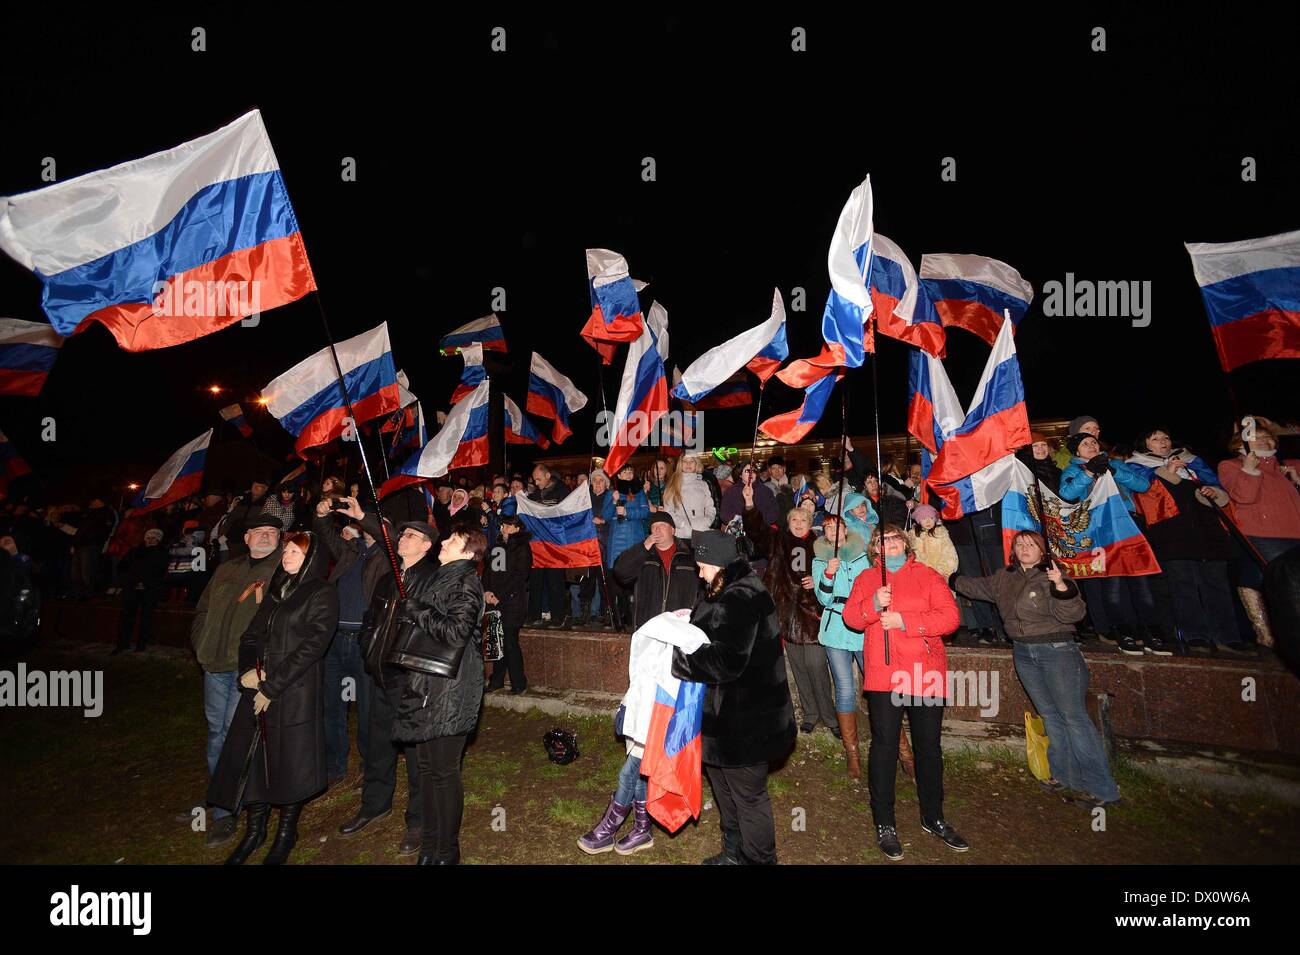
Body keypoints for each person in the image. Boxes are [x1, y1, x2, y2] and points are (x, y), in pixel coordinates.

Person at [952, 530, 1121, 809]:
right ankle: (1066, 777)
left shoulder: (1053, 575)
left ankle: (1102, 787)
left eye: (1030, 544)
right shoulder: (1004, 577)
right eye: (1019, 544)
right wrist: (947, 576)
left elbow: (1074, 615)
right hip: (1023, 651)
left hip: (1058, 651)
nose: (1024, 548)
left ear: (1042, 550)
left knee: (1073, 718)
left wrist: (1061, 587)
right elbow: (973, 587)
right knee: (1051, 716)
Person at [209, 530, 340, 865]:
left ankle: (285, 833)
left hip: (294, 690)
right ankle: (255, 831)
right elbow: (251, 635)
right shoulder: (277, 590)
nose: (287, 555)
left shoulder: (321, 592)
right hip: (259, 685)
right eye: (286, 550)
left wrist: (273, 685)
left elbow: (314, 645)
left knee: (290, 761)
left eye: (295, 551)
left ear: (311, 558)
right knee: (254, 759)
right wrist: (248, 671)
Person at [669, 530, 795, 865]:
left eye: (702, 566)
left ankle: (759, 859)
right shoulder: (724, 588)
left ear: (719, 564)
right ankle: (733, 853)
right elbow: (712, 630)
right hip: (723, 718)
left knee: (748, 797)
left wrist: (675, 659)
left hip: (748, 721)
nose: (699, 572)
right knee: (725, 792)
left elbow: (727, 661)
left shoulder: (741, 597)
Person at [843, 524, 966, 860]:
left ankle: (933, 816)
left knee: (929, 746)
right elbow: (852, 617)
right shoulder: (868, 579)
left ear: (906, 543)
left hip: (925, 671)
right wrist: (872, 603)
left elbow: (950, 617)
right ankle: (884, 822)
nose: (891, 544)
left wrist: (906, 621)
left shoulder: (927, 575)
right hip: (885, 674)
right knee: (884, 746)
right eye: (883, 541)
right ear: (875, 549)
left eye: (896, 538)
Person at [580, 512, 699, 855]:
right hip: (647, 645)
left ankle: (623, 823)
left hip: (678, 648)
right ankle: (639, 825)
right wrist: (641, 546)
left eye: (661, 526)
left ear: (673, 530)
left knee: (648, 739)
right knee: (640, 730)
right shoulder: (643, 556)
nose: (656, 531)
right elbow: (619, 572)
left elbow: (703, 596)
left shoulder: (689, 559)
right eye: (652, 528)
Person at [337, 515, 437, 856]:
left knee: (415, 753)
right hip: (379, 675)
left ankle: (418, 820)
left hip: (411, 681)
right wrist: (368, 648)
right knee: (378, 744)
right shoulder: (387, 578)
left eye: (409, 535)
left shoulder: (432, 579)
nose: (402, 538)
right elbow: (371, 619)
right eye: (402, 533)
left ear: (425, 545)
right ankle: (375, 803)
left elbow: (434, 631)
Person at [389, 525, 488, 865]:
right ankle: (430, 846)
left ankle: (448, 851)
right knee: (429, 768)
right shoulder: (443, 577)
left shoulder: (466, 581)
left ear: (467, 552)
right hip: (429, 685)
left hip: (452, 688)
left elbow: (457, 631)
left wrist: (417, 610)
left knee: (444, 772)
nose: (443, 542)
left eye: (452, 540)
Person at [188, 515, 283, 848]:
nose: (266, 536)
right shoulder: (227, 568)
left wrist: (266, 664)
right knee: (217, 734)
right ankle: (219, 796)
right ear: (247, 536)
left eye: (273, 532)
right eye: (260, 531)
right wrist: (200, 641)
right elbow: (202, 609)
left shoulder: (281, 571)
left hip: (248, 670)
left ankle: (226, 811)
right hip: (214, 663)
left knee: (234, 735)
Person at [1129, 427, 1247, 655]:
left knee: (1217, 584)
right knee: (1183, 587)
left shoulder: (1191, 461)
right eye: (1155, 439)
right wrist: (1167, 472)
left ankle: (1227, 636)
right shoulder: (1138, 466)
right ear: (1145, 445)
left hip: (1206, 530)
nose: (1163, 442)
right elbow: (1146, 495)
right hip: (1172, 534)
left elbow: (1216, 487)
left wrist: (1212, 492)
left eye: (1166, 437)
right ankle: (1196, 635)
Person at [1059, 432, 1167, 655]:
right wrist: (1089, 472)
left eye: (1094, 442)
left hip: (1127, 524)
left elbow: (1142, 485)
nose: (1091, 445)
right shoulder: (1073, 470)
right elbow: (1067, 493)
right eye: (1084, 444)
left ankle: (1151, 631)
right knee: (1113, 582)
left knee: (1141, 581)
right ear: (1076, 451)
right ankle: (1123, 630)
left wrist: (1114, 471)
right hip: (1100, 528)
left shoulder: (1115, 464)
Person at [313, 497, 390, 788]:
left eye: (374, 519)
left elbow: (389, 540)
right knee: (332, 704)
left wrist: (365, 517)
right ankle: (335, 764)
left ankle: (371, 765)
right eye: (364, 520)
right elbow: (325, 533)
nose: (367, 523)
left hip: (363, 642)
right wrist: (321, 516)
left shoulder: (387, 556)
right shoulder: (350, 551)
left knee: (368, 707)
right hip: (335, 641)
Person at [749, 506, 837, 736]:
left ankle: (829, 715)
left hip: (812, 613)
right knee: (798, 667)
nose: (798, 523)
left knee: (816, 666)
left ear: (811, 523)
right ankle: (810, 714)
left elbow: (835, 574)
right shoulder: (778, 542)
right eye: (794, 519)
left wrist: (818, 580)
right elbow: (757, 532)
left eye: (803, 519)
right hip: (787, 613)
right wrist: (750, 506)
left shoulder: (821, 545)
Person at [1218, 417, 1300, 646]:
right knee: (1268, 581)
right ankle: (1266, 633)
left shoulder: (1288, 466)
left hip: (1295, 533)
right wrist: (1248, 470)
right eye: (1256, 437)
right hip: (1262, 533)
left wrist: (1297, 481)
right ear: (1239, 444)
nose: (1264, 440)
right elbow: (1243, 497)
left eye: (1268, 437)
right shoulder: (1230, 465)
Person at [812, 514, 872, 778]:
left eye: (837, 526)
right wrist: (828, 573)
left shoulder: (864, 556)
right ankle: (852, 754)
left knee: (876, 684)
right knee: (845, 689)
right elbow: (823, 598)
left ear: (845, 529)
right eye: (827, 528)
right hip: (836, 629)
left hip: (863, 625)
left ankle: (902, 749)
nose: (832, 531)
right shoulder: (819, 560)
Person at [596, 464, 650, 629]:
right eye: (624, 471)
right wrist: (613, 501)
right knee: (617, 575)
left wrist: (627, 513)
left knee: (634, 575)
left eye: (630, 471)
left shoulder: (639, 491)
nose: (628, 474)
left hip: (634, 536)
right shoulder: (613, 492)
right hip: (617, 537)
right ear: (617, 475)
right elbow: (604, 516)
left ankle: (632, 615)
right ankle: (617, 616)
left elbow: (645, 512)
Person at [484, 515, 532, 693]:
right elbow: (489, 571)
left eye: (509, 526)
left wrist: (500, 596)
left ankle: (518, 682)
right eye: (503, 525)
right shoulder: (498, 546)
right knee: (497, 641)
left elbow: (520, 576)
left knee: (510, 642)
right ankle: (496, 680)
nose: (504, 528)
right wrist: (487, 590)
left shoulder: (522, 547)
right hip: (494, 601)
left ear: (517, 529)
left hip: (512, 602)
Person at [524, 463, 569, 628]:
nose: (536, 483)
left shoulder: (563, 492)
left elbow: (567, 515)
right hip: (537, 544)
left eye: (539, 479)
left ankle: (558, 616)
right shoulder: (533, 496)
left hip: (554, 544)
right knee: (536, 582)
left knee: (555, 582)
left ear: (548, 475)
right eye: (535, 479)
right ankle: (533, 615)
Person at [113, 527, 170, 654]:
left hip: (150, 588)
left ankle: (141, 645)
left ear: (159, 540)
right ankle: (122, 644)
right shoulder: (134, 551)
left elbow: (160, 570)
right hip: (131, 587)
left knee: (146, 617)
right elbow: (122, 567)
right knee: (126, 616)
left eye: (154, 538)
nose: (151, 540)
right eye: (149, 537)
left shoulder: (162, 552)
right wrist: (129, 580)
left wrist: (146, 581)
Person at [659, 453, 717, 538]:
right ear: (680, 464)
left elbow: (710, 507)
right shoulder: (672, 484)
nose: (688, 464)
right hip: (681, 534)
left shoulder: (703, 484)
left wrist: (707, 521)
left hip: (702, 531)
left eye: (692, 461)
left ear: (696, 463)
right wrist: (682, 524)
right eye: (685, 461)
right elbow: (668, 510)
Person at [907, 504, 958, 579]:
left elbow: (950, 554)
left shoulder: (941, 533)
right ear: (919, 521)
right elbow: (911, 555)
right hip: (921, 575)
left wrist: (943, 571)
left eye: (931, 518)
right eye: (924, 518)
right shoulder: (913, 535)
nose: (928, 521)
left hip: (940, 574)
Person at [720, 461, 778, 528]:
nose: (751, 473)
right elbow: (725, 514)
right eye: (748, 471)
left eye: (753, 471)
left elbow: (774, 511)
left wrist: (760, 523)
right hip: (738, 530)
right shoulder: (731, 491)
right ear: (740, 474)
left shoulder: (765, 490)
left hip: (762, 530)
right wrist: (741, 524)